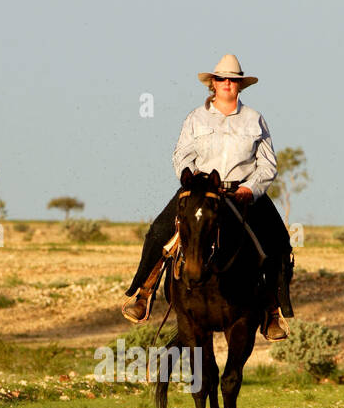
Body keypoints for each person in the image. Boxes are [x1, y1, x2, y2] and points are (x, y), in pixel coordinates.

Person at [121, 54, 293, 341]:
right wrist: (191, 180)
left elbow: (268, 164)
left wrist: (250, 189)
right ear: (213, 83)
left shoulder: (254, 119)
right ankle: (143, 292)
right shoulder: (195, 118)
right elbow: (182, 154)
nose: (227, 83)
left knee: (278, 240)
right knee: (158, 233)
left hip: (242, 191)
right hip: (201, 190)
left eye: (233, 80)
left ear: (240, 85)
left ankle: (273, 311)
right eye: (222, 79)